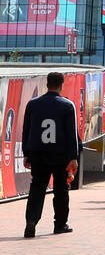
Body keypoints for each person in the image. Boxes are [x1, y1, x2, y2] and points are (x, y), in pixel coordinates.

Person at [21, 71, 80, 237]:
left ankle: (31, 222)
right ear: (62, 85)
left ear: (47, 84)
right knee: (61, 189)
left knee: (37, 188)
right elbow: (72, 134)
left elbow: (26, 130)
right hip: (60, 154)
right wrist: (73, 157)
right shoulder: (67, 105)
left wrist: (26, 153)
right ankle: (60, 224)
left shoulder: (33, 104)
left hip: (38, 153)